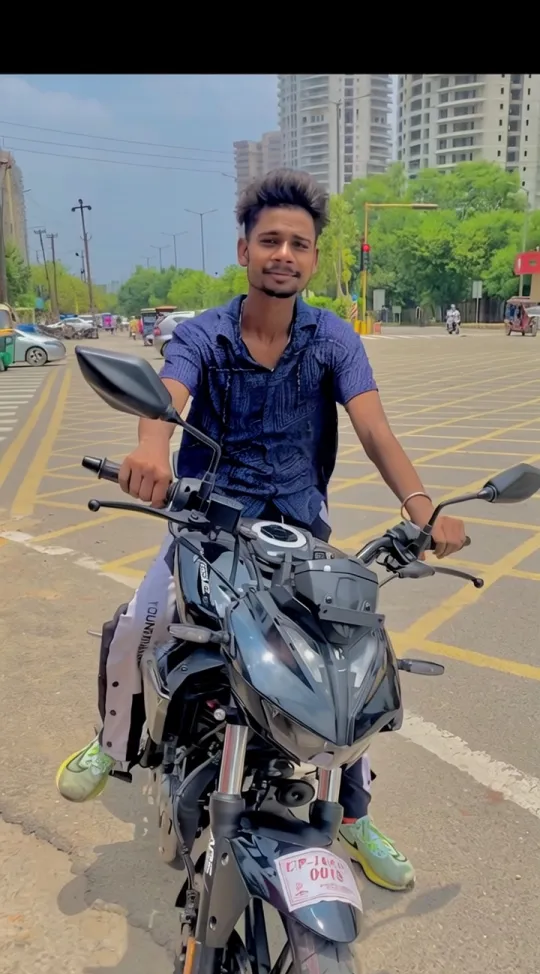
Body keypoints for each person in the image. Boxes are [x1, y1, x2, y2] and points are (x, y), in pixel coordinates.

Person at [56, 169, 466, 892]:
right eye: (270, 240)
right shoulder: (202, 336)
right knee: (139, 627)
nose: (284, 253)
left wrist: (421, 505)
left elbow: (374, 427)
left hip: (298, 535)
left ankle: (353, 815)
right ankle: (112, 743)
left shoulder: (333, 339)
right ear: (244, 249)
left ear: (312, 258)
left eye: (298, 244)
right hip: (207, 526)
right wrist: (152, 451)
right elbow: (166, 398)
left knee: (343, 669)